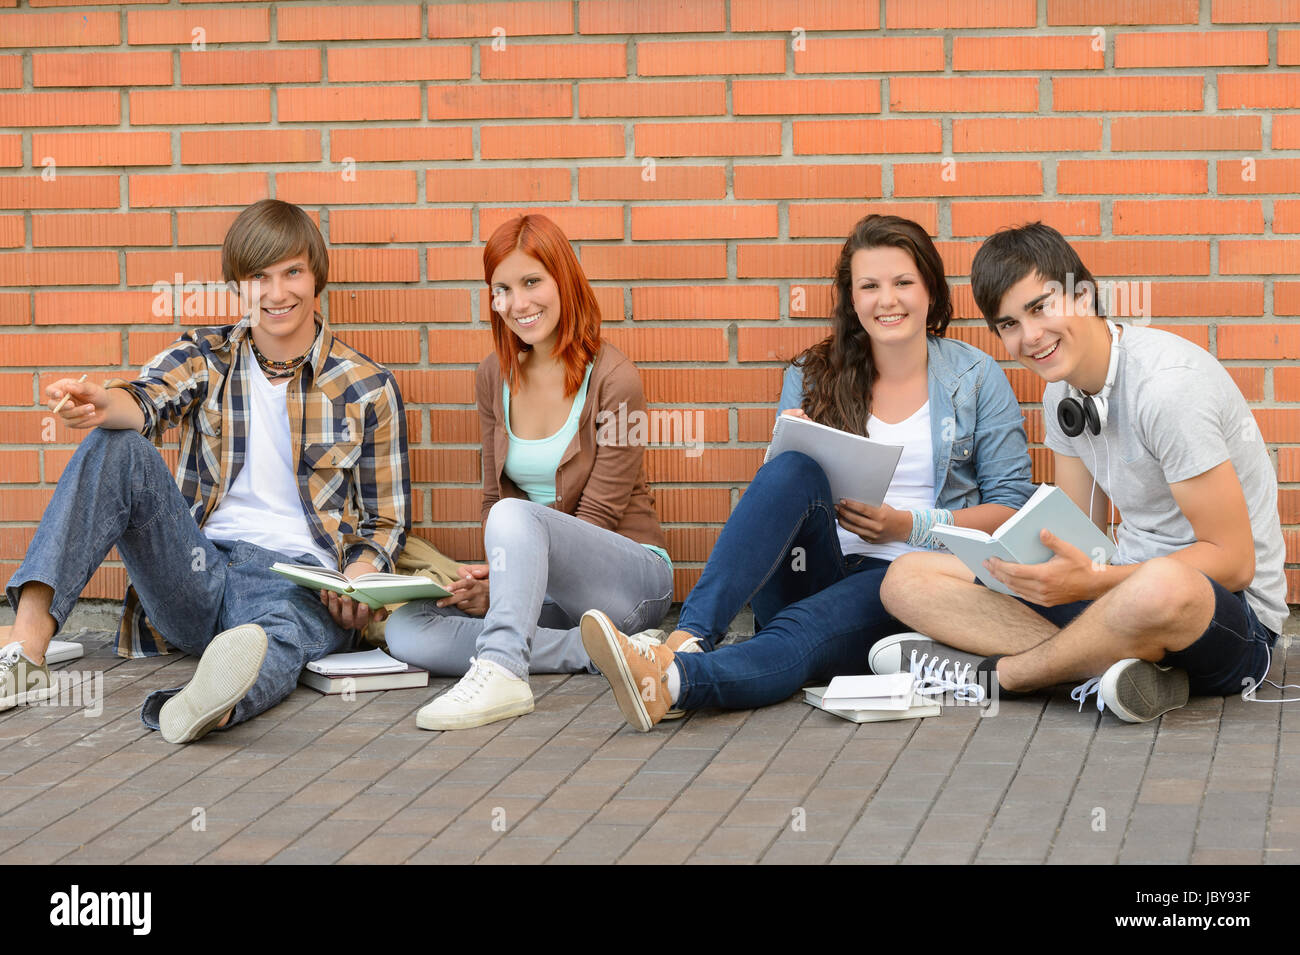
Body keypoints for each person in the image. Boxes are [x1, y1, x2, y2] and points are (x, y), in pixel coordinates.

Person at [578, 214, 1036, 732]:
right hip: (810, 564)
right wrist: (786, 447)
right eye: (870, 286)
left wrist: (905, 526)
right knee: (793, 467)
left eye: (903, 282)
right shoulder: (812, 375)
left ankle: (672, 680)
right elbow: (773, 506)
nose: (888, 300)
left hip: (905, 580)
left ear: (930, 289)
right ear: (851, 299)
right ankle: (688, 638)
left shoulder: (975, 378)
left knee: (797, 633)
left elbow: (1011, 510)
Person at [0, 199, 410, 742]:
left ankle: (203, 705)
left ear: (317, 277)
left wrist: (357, 582)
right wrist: (106, 405)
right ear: (239, 285)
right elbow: (146, 399)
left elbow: (384, 521)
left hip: (296, 583)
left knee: (279, 637)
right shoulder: (207, 354)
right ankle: (25, 654)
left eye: (292, 272)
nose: (278, 292)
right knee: (116, 445)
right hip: (198, 569)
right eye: (259, 276)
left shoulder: (368, 386)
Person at [877, 222, 1287, 723]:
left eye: (1040, 307)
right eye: (1008, 324)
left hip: (1226, 616)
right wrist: (1027, 567)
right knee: (907, 577)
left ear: (1084, 295)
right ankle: (1119, 672)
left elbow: (1235, 562)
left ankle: (1002, 677)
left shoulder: (1169, 390)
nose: (1030, 338)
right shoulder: (1061, 392)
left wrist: (1093, 581)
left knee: (1163, 584)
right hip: (1116, 586)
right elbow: (1077, 530)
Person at [384, 214, 673, 731]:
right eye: (503, 289)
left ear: (564, 280)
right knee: (406, 629)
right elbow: (491, 498)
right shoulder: (494, 374)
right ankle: (603, 653)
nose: (520, 304)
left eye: (532, 282)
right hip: (550, 594)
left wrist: (512, 584)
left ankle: (503, 669)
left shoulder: (615, 379)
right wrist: (499, 584)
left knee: (516, 518)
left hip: (628, 581)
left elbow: (598, 516)